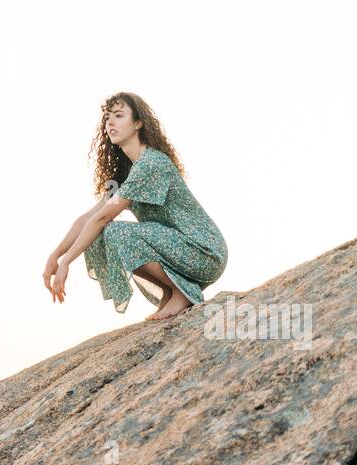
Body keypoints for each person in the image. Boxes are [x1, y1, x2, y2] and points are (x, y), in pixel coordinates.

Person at [43, 92, 228, 321]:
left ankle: (181, 292)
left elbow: (101, 220)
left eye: (119, 116)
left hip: (204, 251)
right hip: (180, 247)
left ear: (138, 123)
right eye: (108, 117)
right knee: (99, 233)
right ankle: (170, 291)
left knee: (111, 231)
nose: (110, 122)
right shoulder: (126, 175)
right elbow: (88, 218)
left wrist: (67, 261)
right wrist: (56, 255)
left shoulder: (150, 164)